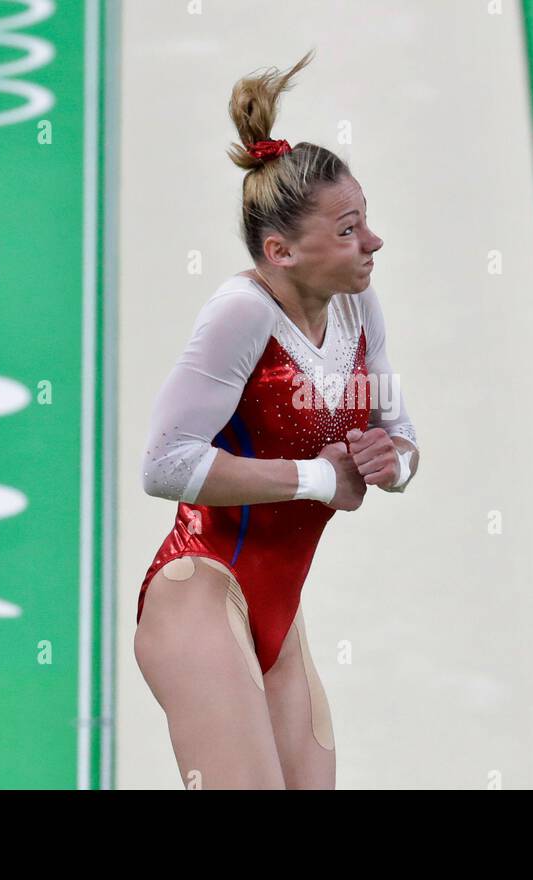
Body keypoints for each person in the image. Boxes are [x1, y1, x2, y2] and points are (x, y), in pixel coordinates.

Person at [133, 49, 419, 789]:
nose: (373, 241)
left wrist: (395, 462)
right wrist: (320, 479)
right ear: (280, 250)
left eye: (367, 222)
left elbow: (401, 435)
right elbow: (164, 464)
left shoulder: (359, 306)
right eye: (350, 228)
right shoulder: (241, 314)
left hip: (279, 620)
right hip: (199, 596)